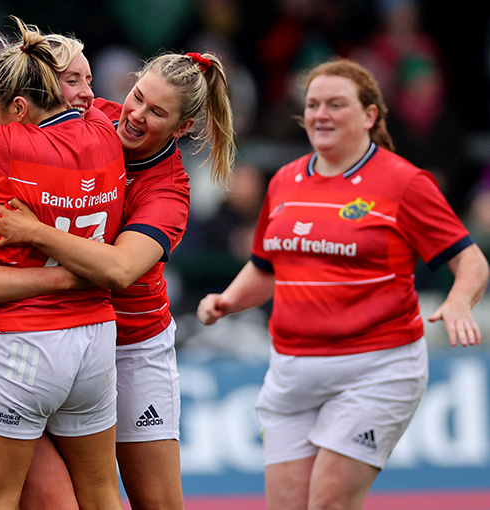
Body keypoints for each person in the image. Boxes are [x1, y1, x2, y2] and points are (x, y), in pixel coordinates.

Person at [196, 58, 489, 510]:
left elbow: (471, 262)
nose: (321, 114)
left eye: (336, 104)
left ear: (370, 116)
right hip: (291, 370)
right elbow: (267, 267)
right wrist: (227, 300)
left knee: (329, 502)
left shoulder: (405, 183)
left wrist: (458, 302)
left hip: (376, 368)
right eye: (313, 104)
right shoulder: (284, 181)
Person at [0, 51, 235, 510]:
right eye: (136, 97)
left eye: (157, 113)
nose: (134, 115)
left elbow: (119, 270)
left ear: (183, 128)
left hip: (133, 345)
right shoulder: (95, 115)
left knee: (157, 503)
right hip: (64, 336)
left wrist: (35, 232)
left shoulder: (168, 188)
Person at [0, 17, 125, 510]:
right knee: (99, 495)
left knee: (0, 501)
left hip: (21, 343)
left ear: (17, 107)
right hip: (97, 336)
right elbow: (92, 107)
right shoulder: (105, 131)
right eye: (73, 80)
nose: (86, 92)